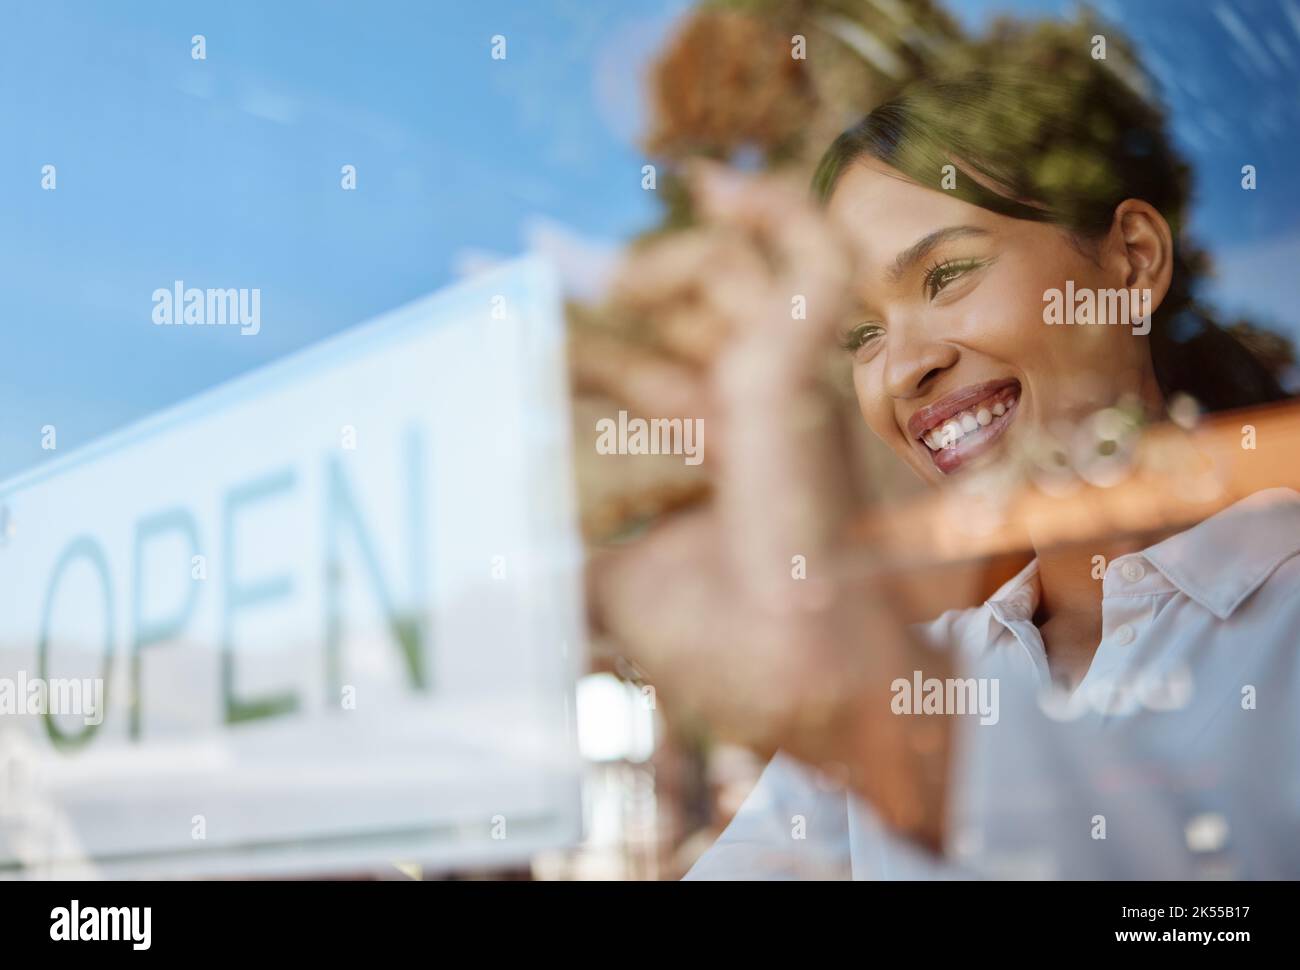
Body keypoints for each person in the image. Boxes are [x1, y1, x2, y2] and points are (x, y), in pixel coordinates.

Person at [588, 68, 1300, 879]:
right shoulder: (911, 673)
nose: (904, 370)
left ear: (1133, 263)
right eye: (860, 334)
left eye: (949, 276)